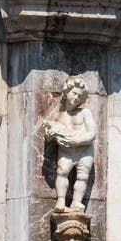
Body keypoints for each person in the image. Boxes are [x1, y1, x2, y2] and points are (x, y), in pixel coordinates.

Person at [44, 76, 96, 212]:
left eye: (80, 96)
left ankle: (76, 202)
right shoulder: (58, 116)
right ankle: (61, 200)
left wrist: (76, 141)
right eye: (74, 93)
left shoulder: (85, 113)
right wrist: (50, 135)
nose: (76, 97)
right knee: (61, 172)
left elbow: (92, 134)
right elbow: (50, 135)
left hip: (84, 150)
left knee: (82, 177)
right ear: (66, 92)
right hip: (66, 150)